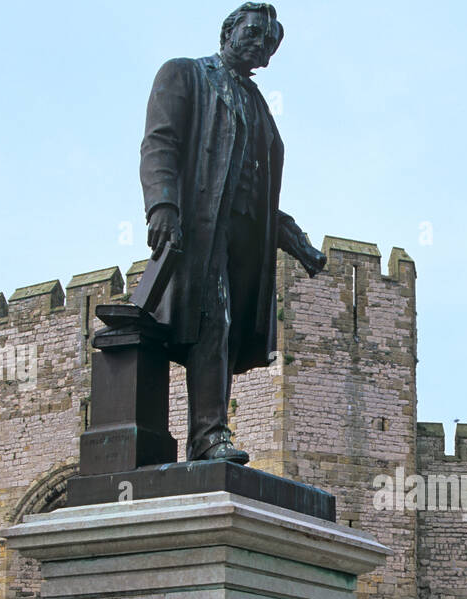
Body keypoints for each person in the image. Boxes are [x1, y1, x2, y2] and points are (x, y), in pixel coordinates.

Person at [137, 3, 327, 465]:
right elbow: (161, 142)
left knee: (223, 331)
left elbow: (257, 194)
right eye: (255, 32)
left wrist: (294, 239)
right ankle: (207, 438)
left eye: (270, 42)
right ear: (229, 29)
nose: (261, 44)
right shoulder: (186, 74)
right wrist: (162, 205)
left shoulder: (261, 110)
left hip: (243, 247)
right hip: (199, 234)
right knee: (213, 320)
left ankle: (209, 435)